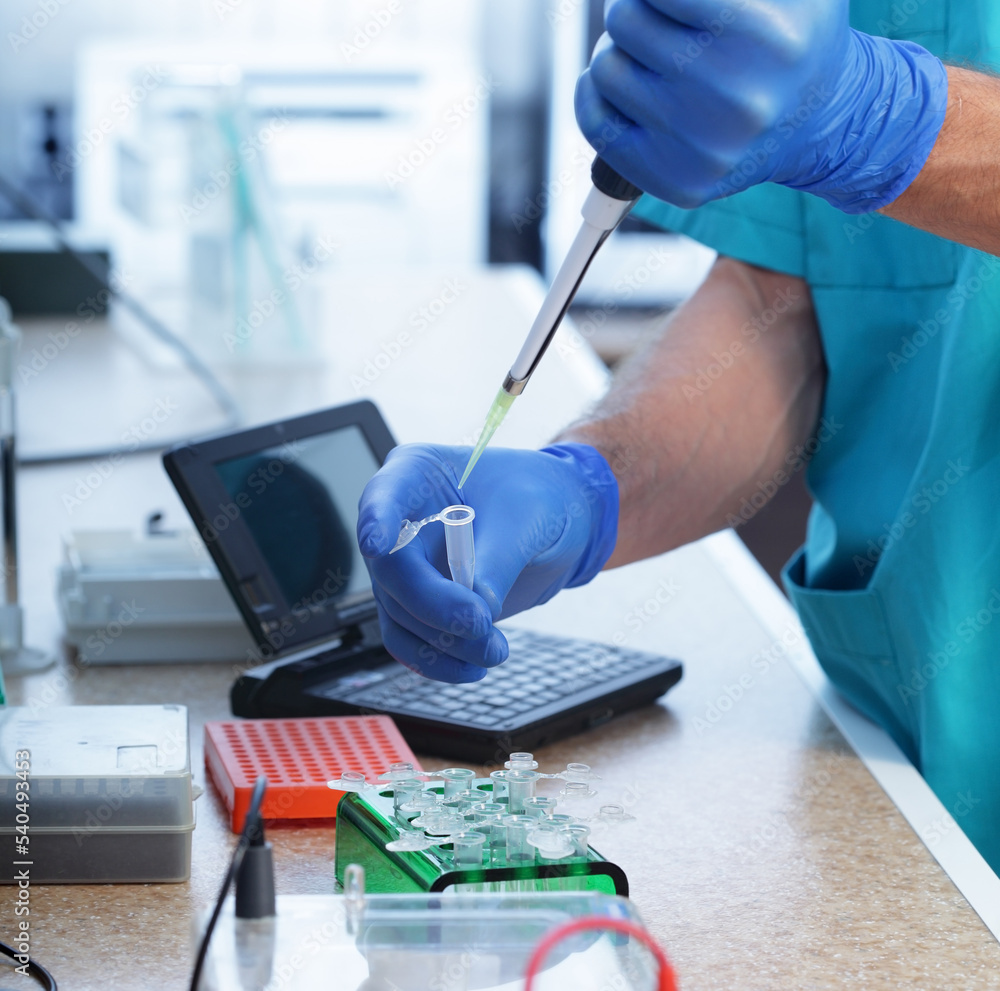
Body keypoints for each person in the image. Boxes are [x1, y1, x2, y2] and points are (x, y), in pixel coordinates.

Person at [357, 0, 1000, 872]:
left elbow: (872, 130)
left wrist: (888, 114)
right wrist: (589, 486)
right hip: (907, 769)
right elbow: (786, 303)